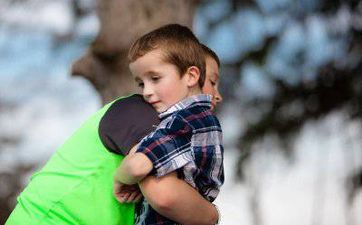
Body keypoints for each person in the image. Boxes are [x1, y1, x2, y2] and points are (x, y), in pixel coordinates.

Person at [114, 24, 224, 225]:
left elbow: (139, 166)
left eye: (155, 78)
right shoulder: (201, 121)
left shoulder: (184, 121)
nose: (146, 91)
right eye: (141, 83)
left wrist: (120, 176)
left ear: (191, 76)